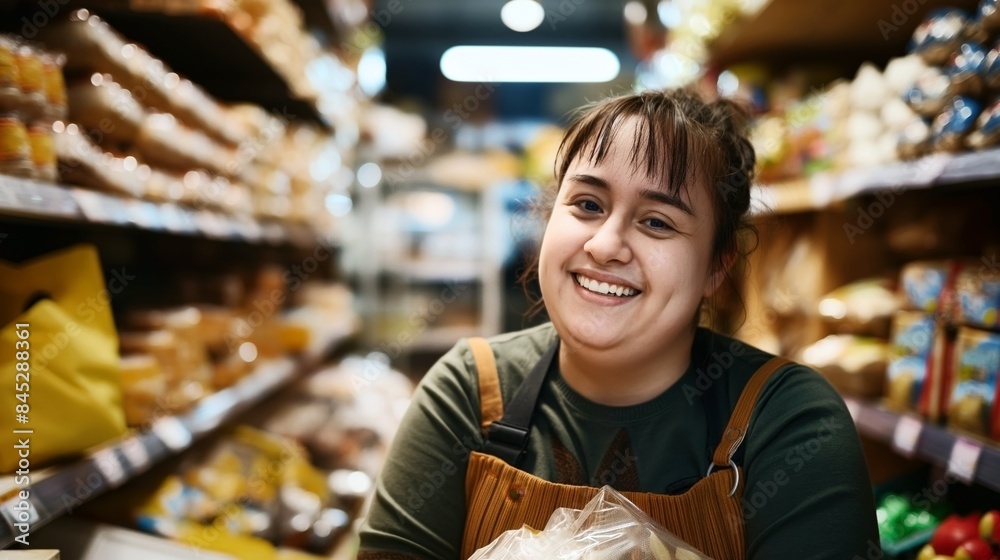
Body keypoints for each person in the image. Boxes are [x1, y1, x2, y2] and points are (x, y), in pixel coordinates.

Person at [358, 87, 879, 559]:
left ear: (716, 267)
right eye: (587, 204)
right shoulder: (470, 392)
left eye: (657, 221)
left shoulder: (786, 419)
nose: (604, 245)